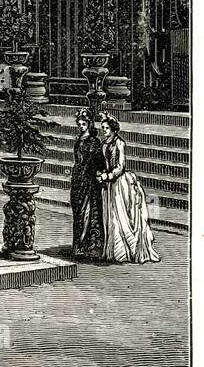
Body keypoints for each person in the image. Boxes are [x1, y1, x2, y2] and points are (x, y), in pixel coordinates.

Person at [96, 114, 161, 264]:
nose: (104, 131)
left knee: (120, 218)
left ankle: (126, 251)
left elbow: (120, 166)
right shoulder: (104, 144)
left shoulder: (120, 144)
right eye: (103, 128)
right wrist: (100, 173)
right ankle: (113, 250)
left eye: (106, 128)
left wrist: (107, 176)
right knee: (110, 218)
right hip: (108, 185)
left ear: (113, 129)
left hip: (119, 184)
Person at [69, 110, 104, 258]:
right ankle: (78, 245)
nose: (81, 127)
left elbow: (99, 161)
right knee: (77, 212)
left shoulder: (94, 141)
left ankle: (88, 246)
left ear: (90, 124)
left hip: (89, 180)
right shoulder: (79, 139)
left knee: (88, 212)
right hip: (78, 177)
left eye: (84, 124)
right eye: (79, 124)